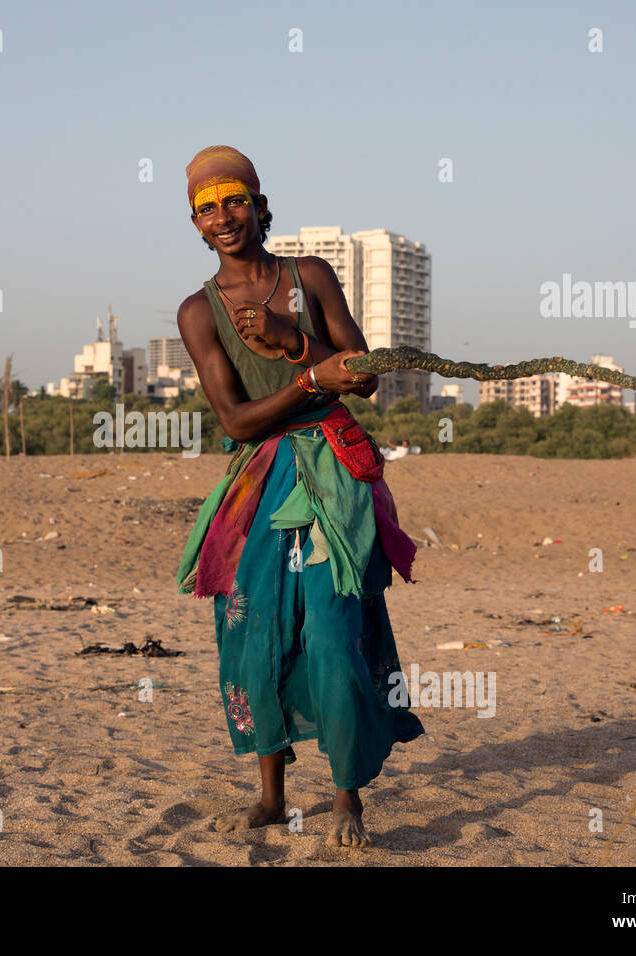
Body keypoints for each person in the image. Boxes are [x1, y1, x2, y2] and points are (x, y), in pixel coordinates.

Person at [175, 146, 425, 848]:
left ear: (258, 203)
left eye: (233, 201)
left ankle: (347, 796)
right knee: (253, 632)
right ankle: (269, 795)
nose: (223, 218)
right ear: (194, 223)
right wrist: (310, 382)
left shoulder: (307, 276)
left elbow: (365, 373)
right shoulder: (199, 312)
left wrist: (293, 341)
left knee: (334, 631)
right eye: (206, 208)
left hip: (333, 477)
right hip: (258, 484)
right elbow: (236, 420)